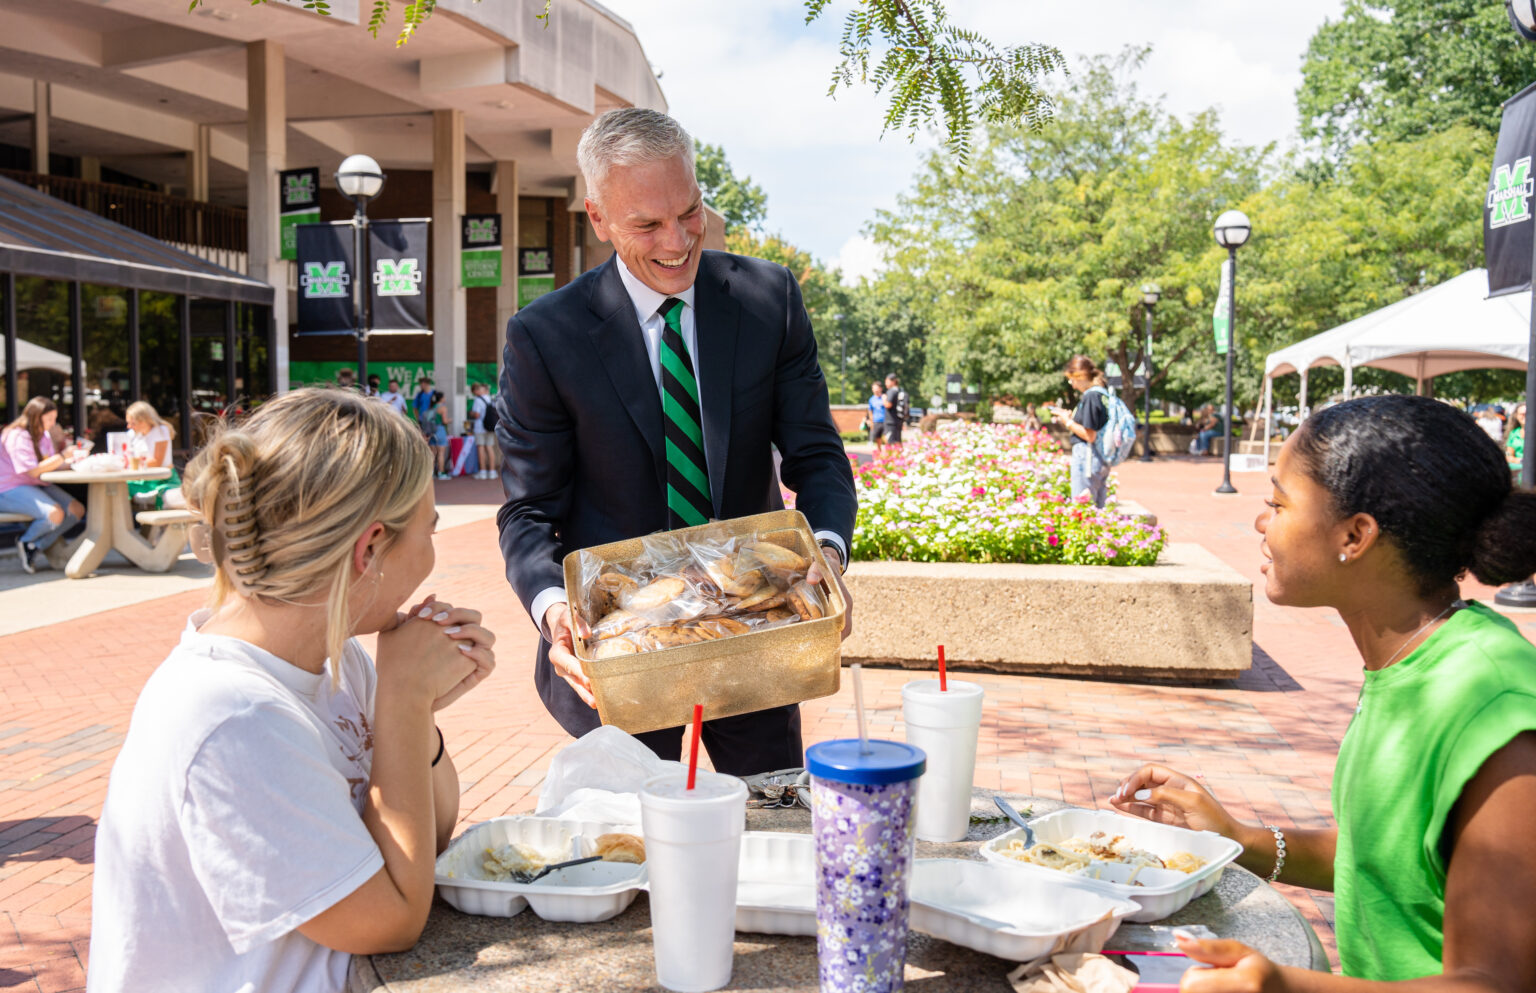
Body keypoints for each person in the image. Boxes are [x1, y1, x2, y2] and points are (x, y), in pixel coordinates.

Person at [1111, 395, 1536, 991]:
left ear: (1355, 535)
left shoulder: (1494, 705)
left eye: (1278, 503)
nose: (1262, 522)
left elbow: (1496, 983)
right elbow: (1389, 862)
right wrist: (1237, 840)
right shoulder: (1409, 661)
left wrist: (1283, 986)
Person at [87, 388, 496, 993]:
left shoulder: (337, 659)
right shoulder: (232, 716)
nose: (433, 556)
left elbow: (428, 837)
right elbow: (392, 919)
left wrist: (412, 716)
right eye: (428, 530)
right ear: (370, 549)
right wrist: (406, 700)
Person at [497, 107, 857, 777]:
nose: (678, 240)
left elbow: (817, 456)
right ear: (598, 219)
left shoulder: (768, 299)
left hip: (757, 640)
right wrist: (554, 614)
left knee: (769, 840)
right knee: (634, 862)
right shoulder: (544, 337)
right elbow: (528, 512)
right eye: (647, 225)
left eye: (689, 211)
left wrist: (828, 552)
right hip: (621, 661)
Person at [0, 397, 84, 574]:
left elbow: (48, 464)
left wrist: (73, 461)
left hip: (37, 483)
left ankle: (33, 544)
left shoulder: (43, 434)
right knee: (54, 514)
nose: (53, 424)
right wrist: (62, 456)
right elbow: (31, 471)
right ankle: (28, 541)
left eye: (54, 419)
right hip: (10, 487)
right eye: (49, 419)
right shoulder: (17, 435)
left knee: (76, 510)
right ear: (36, 417)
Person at [1050, 355, 1112, 507]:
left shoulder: (1091, 396)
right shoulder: (1101, 394)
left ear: (1081, 375)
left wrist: (1068, 421)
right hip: (1099, 457)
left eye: (1072, 379)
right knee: (1096, 510)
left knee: (1082, 509)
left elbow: (1089, 435)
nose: (1072, 384)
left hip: (1088, 458)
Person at [124, 401, 183, 510]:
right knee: (119, 488)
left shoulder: (160, 431)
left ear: (144, 420)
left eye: (133, 423)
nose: (129, 426)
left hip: (163, 480)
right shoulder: (135, 435)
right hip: (144, 479)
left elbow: (157, 462)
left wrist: (134, 462)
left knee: (123, 489)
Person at [468, 383, 498, 480]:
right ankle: (492, 471)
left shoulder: (478, 400)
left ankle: (483, 471)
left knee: (481, 448)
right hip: (490, 427)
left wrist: (471, 413)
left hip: (480, 427)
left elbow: (476, 415)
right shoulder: (490, 399)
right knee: (489, 448)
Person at [427, 390, 450, 480]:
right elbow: (444, 421)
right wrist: (449, 420)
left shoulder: (432, 407)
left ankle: (431, 473)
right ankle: (441, 472)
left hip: (431, 431)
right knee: (441, 453)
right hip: (440, 430)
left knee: (432, 454)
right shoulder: (443, 408)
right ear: (441, 398)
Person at [882, 373, 909, 446]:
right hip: (898, 420)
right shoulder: (900, 391)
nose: (885, 384)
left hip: (890, 421)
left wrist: (884, 399)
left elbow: (888, 405)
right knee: (897, 441)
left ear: (893, 381)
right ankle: (900, 456)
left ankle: (891, 456)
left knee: (889, 441)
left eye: (887, 381)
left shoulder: (891, 391)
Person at [1505, 401, 1525, 476]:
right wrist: (1521, 460)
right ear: (1517, 416)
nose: (1524, 416)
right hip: (1519, 470)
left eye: (1527, 414)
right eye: (1522, 414)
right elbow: (1509, 456)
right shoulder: (1513, 433)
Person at [867, 380, 886, 452]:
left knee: (886, 438)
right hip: (876, 421)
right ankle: (880, 452)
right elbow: (870, 412)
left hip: (885, 421)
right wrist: (871, 423)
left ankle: (889, 452)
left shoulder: (884, 397)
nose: (874, 390)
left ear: (880, 388)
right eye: (873, 388)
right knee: (878, 438)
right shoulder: (871, 399)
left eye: (876, 388)